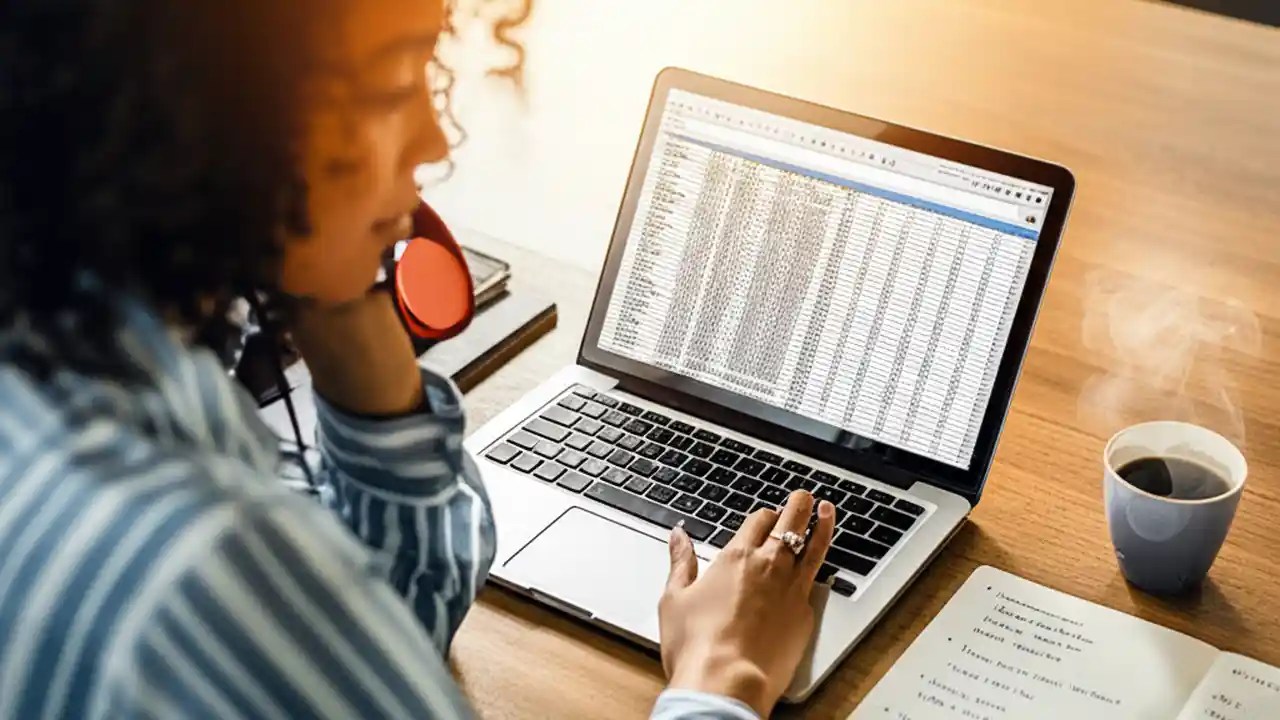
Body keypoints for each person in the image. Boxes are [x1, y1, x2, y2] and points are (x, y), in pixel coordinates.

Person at [0, 0, 837, 717]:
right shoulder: (204, 575)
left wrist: (333, 285)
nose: (435, 141)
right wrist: (720, 681)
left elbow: (389, 620)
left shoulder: (68, 373)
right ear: (216, 114)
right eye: (399, 85)